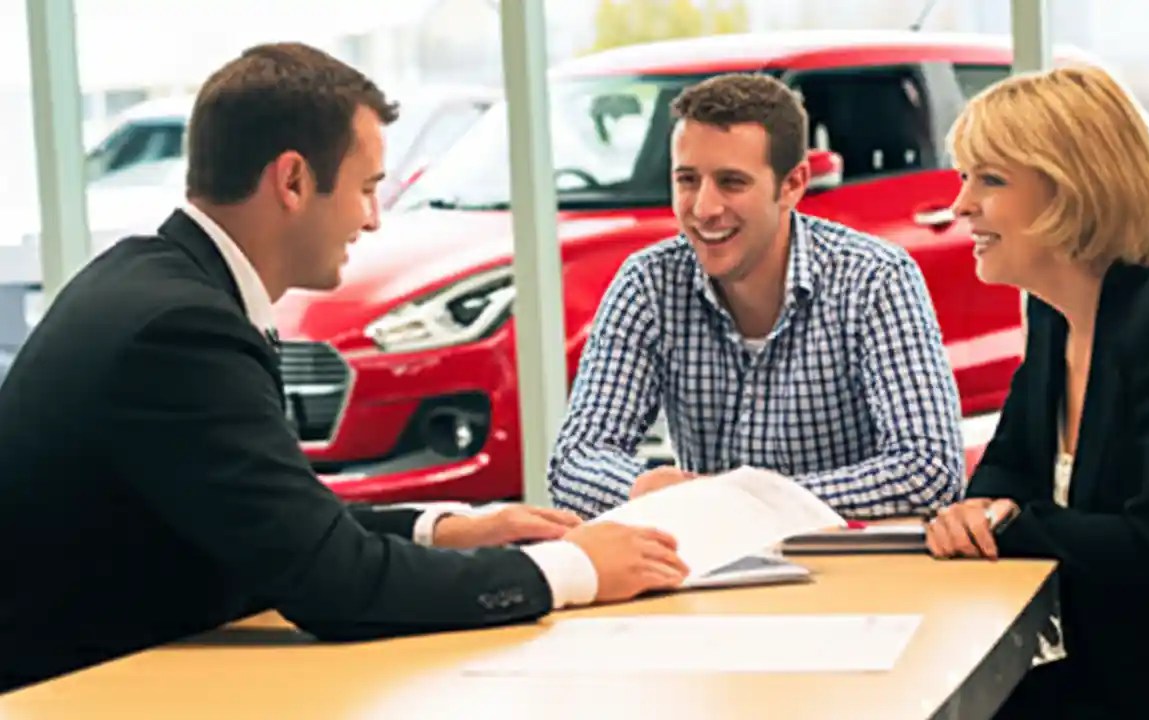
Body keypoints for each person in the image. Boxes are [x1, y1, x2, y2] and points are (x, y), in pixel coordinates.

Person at [0, 43, 689, 694]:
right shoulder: (181, 332)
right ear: (294, 180)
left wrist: (449, 528)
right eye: (367, 188)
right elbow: (334, 585)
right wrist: (573, 570)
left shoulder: (150, 282)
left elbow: (276, 520)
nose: (373, 220)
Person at [925, 64, 1149, 718]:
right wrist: (974, 516)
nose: (959, 206)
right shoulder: (1055, 314)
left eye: (990, 180)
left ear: (1073, 190)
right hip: (1105, 670)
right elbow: (1006, 469)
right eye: (964, 177)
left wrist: (1014, 527)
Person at [547, 72, 964, 519]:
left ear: (793, 185)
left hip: (850, 564)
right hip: (714, 567)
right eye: (687, 180)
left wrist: (745, 502)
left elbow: (930, 469)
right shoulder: (648, 284)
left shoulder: (874, 279)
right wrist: (643, 486)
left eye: (731, 182)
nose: (704, 208)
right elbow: (574, 462)